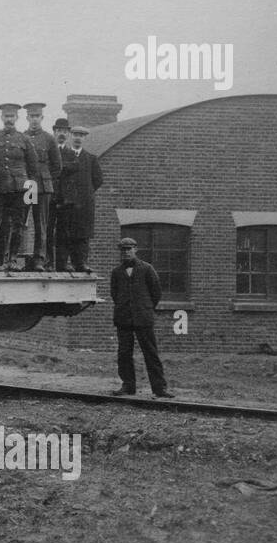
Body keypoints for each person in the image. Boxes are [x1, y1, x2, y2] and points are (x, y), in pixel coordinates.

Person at [110, 237, 174, 398]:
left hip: (143, 318)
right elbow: (114, 294)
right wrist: (124, 307)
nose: (126, 252)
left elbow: (156, 292)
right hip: (123, 318)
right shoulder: (116, 272)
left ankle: (159, 388)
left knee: (150, 353)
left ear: (135, 250)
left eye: (129, 249)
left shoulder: (147, 269)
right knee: (124, 353)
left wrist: (144, 308)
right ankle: (128, 386)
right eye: (123, 250)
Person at [0, 103, 38, 271]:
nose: (9, 120)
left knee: (18, 225)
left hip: (21, 190)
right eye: (6, 116)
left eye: (12, 116)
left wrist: (31, 194)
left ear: (17, 118)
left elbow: (33, 168)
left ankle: (12, 260)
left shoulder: (24, 139)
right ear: (1, 118)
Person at [54, 124, 102, 271]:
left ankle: (81, 263)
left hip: (83, 205)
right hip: (64, 204)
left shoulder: (90, 159)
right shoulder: (61, 155)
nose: (77, 139)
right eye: (75, 135)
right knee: (63, 234)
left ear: (84, 138)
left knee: (82, 234)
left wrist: (84, 195)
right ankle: (62, 264)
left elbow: (98, 180)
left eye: (81, 136)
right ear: (70, 136)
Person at [22, 102, 63, 270]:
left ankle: (40, 259)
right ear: (27, 118)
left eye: (37, 116)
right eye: (31, 116)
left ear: (42, 118)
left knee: (41, 224)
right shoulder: (22, 137)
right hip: (27, 185)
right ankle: (16, 258)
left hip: (43, 187)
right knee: (21, 221)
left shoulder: (49, 139)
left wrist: (45, 179)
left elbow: (57, 166)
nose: (34, 120)